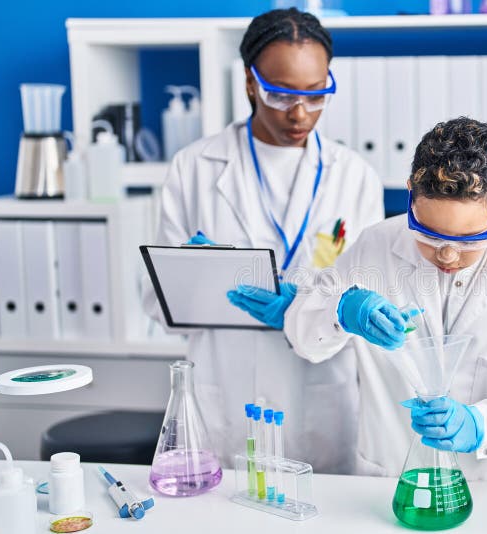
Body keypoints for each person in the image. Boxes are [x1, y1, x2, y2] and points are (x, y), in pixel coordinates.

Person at [142, 8, 384, 473]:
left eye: (316, 96)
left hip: (319, 395)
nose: (300, 113)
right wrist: (192, 279)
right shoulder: (194, 167)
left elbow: (361, 293)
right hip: (226, 392)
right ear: (250, 82)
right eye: (281, 94)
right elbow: (157, 302)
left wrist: (310, 306)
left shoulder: (354, 176)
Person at [283, 117, 487, 482]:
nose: (448, 256)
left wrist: (480, 423)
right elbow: (303, 333)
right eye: (429, 235)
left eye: (470, 240)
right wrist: (342, 309)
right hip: (389, 479)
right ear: (411, 193)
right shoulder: (375, 245)